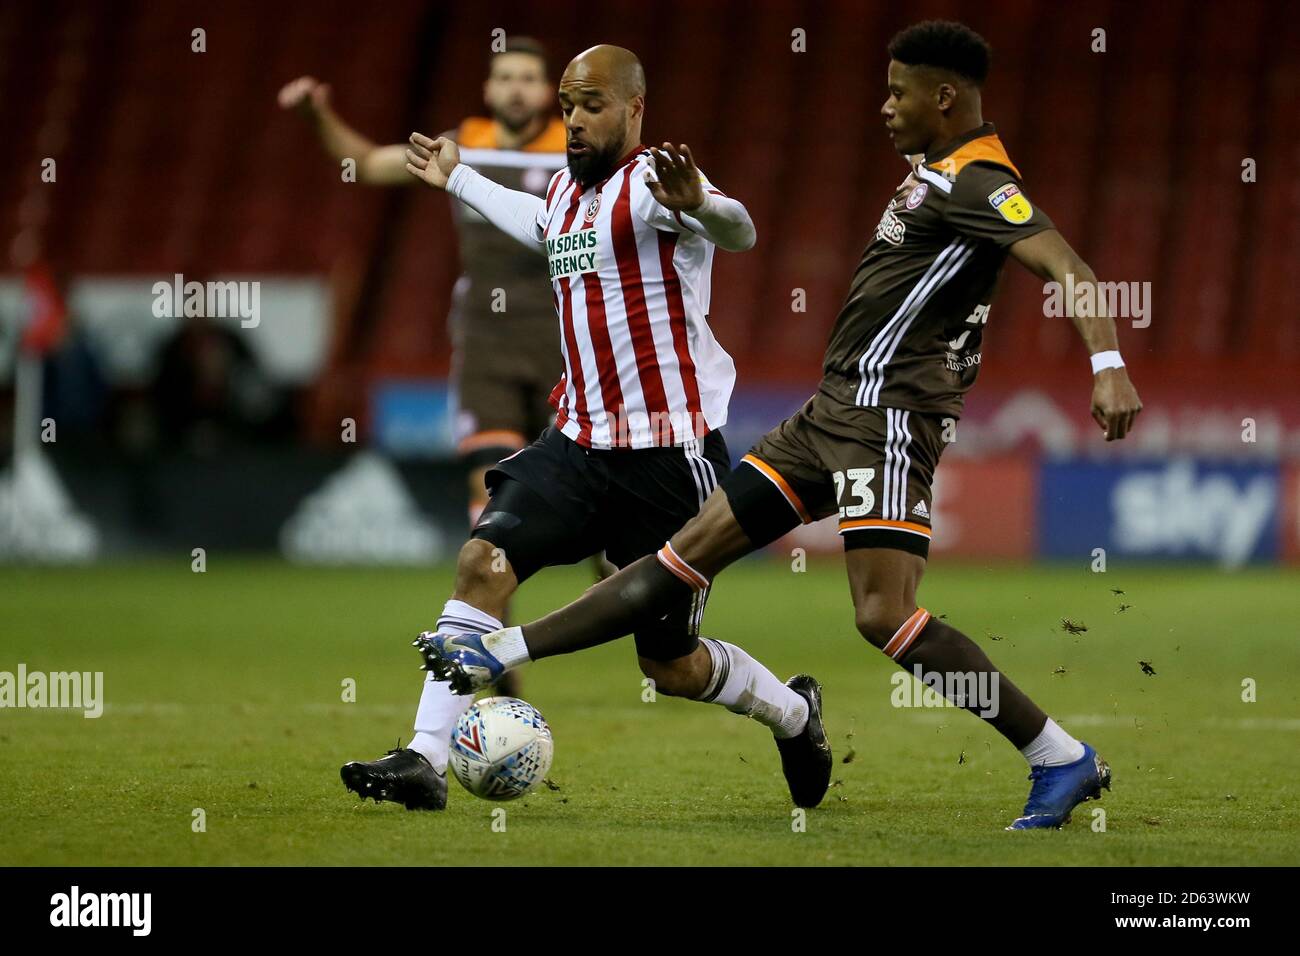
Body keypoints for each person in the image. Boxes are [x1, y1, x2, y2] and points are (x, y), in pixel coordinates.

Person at [417, 22, 1144, 830]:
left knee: (883, 617)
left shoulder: (978, 183)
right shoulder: (928, 174)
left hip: (888, 422)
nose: (885, 106)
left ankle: (1058, 756)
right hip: (828, 412)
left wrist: (1107, 364)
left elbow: (1067, 268)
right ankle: (530, 662)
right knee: (678, 559)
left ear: (945, 97)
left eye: (899, 92)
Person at [343, 44, 832, 811]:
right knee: (482, 560)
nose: (573, 120)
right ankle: (424, 758)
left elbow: (741, 232)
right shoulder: (570, 195)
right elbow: (539, 226)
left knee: (669, 666)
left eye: (591, 104)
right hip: (577, 442)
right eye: (567, 105)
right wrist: (460, 176)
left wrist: (700, 200)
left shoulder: (657, 189)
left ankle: (794, 714)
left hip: (669, 460)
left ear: (635, 108)